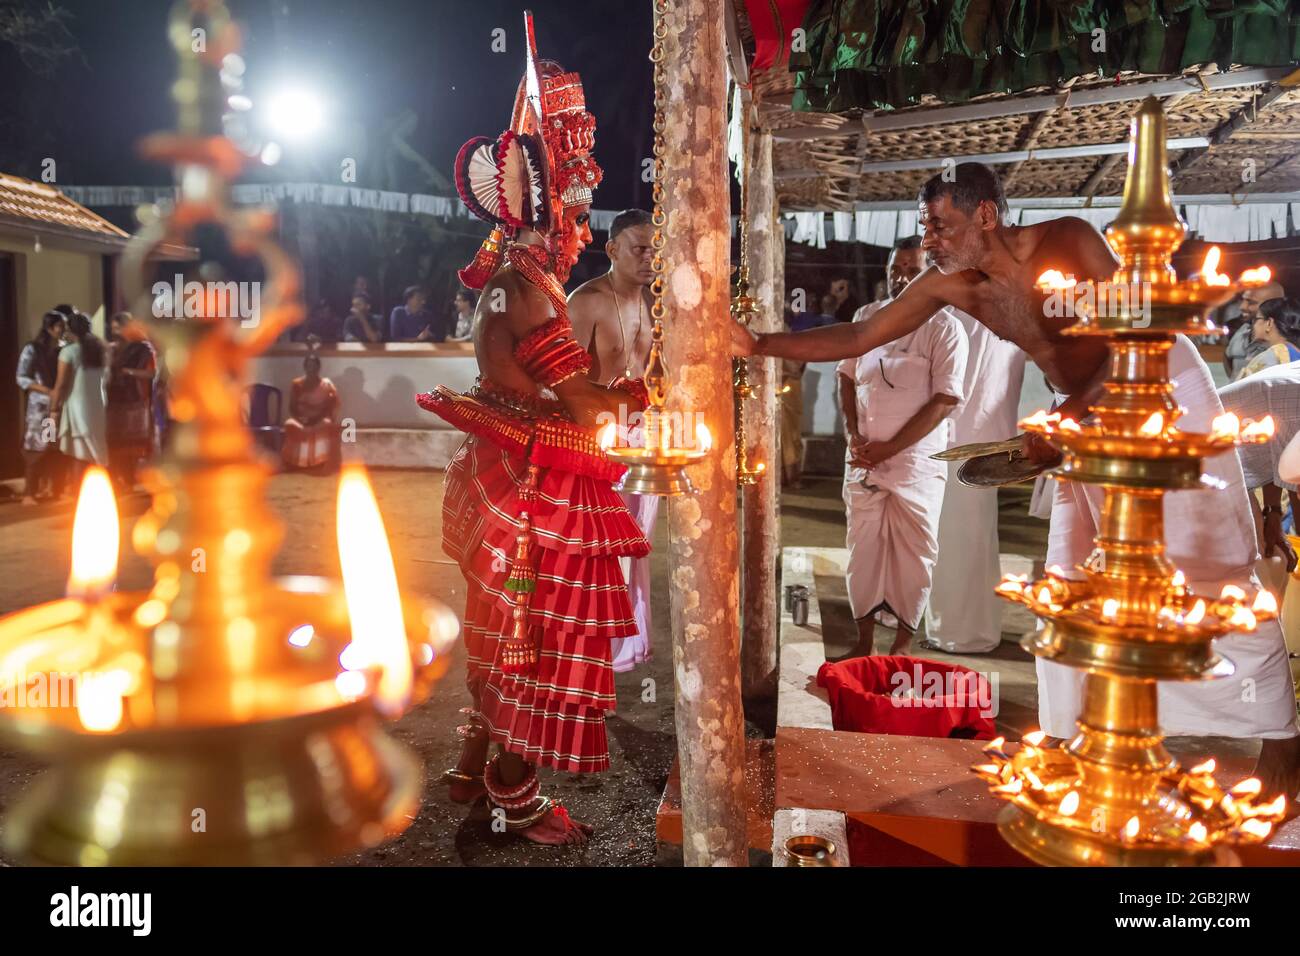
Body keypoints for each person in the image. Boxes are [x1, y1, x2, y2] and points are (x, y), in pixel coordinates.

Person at [732, 159, 1300, 797]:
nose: (930, 242)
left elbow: (1141, 335)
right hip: (1079, 410)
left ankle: (1279, 739)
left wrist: (1069, 417)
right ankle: (1071, 736)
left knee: (1207, 566)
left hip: (1162, 388)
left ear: (985, 215)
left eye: (940, 227)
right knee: (1075, 573)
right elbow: (862, 334)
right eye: (925, 229)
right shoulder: (949, 284)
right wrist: (756, 344)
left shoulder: (1070, 242)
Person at [416, 33, 647, 844]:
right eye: (576, 205)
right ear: (549, 208)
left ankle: (475, 756)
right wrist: (629, 396)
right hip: (530, 488)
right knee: (537, 638)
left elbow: (556, 388)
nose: (583, 221)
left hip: (504, 466)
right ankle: (516, 795)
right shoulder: (525, 285)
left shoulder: (526, 278)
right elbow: (576, 401)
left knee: (502, 625)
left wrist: (602, 396)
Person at [835, 236, 967, 657]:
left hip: (915, 465)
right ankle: (863, 642)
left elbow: (945, 400)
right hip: (863, 459)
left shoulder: (946, 328)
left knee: (915, 551)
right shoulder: (867, 316)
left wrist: (889, 448)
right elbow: (847, 376)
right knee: (863, 548)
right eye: (895, 268)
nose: (901, 277)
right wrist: (852, 433)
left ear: (932, 275)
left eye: (912, 269)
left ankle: (902, 646)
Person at [569, 207, 658, 672]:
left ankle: (620, 648)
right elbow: (560, 382)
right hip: (597, 443)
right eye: (639, 248)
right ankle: (588, 649)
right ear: (612, 250)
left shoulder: (651, 303)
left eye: (654, 248)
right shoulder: (587, 302)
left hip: (640, 440)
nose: (650, 257)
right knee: (600, 551)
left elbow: (650, 373)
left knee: (634, 547)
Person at [925, 301, 1026, 655]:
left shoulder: (959, 307)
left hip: (959, 437)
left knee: (957, 541)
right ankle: (969, 629)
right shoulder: (1009, 305)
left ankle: (958, 634)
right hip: (985, 436)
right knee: (973, 541)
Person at [1219, 361, 1300, 570]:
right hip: (1206, 468)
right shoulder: (1294, 390)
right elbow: (1295, 477)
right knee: (1251, 561)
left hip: (1236, 465)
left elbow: (1276, 449)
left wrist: (1272, 511)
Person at [15, 310, 66, 504]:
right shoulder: (33, 349)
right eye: (59, 326)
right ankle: (29, 493)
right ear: (50, 327)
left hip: (55, 407)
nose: (62, 330)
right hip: (40, 409)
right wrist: (46, 390)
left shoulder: (62, 349)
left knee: (53, 449)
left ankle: (53, 490)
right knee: (37, 449)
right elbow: (21, 377)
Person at [51, 311, 108, 479]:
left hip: (78, 406)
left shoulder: (69, 352)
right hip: (98, 404)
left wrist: (53, 409)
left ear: (70, 330)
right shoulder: (100, 349)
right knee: (96, 449)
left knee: (79, 452)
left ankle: (78, 492)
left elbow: (60, 384)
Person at [105, 311, 157, 491]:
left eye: (119, 328)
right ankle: (117, 479)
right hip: (113, 400)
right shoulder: (111, 348)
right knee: (114, 442)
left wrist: (129, 372)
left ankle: (128, 480)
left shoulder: (144, 348)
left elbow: (151, 373)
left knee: (132, 445)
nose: (116, 332)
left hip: (135, 401)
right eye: (113, 329)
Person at [280, 346, 342, 472]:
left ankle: (319, 462)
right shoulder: (297, 384)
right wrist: (301, 419)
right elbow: (292, 407)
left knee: (326, 424)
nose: (311, 369)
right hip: (301, 419)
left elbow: (331, 405)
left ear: (318, 368)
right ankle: (293, 463)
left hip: (319, 418)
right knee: (290, 424)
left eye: (314, 366)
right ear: (305, 367)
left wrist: (316, 418)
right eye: (309, 366)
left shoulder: (326, 384)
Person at [1223, 280, 1282, 379]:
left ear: (1273, 304)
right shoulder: (1242, 330)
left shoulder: (1285, 339)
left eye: (1251, 302)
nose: (1242, 307)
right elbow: (1227, 359)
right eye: (1243, 300)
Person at [1236, 296, 1300, 380]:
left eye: (1256, 319)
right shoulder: (1295, 353)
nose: (1253, 325)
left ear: (1269, 323)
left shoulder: (1269, 357)